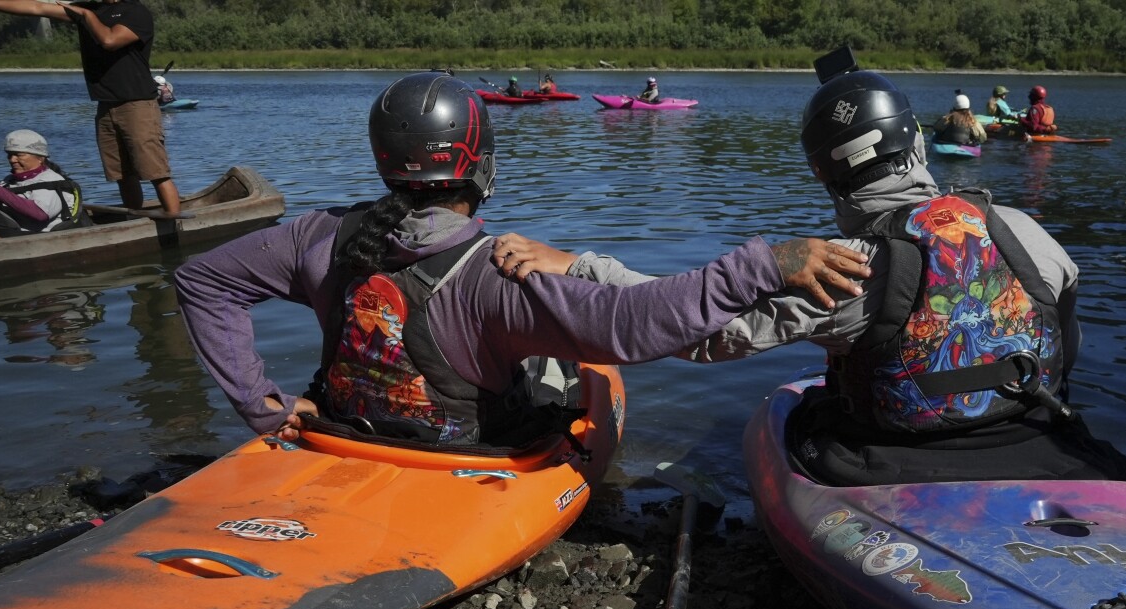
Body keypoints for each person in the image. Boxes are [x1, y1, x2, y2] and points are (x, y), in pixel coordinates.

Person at [498, 56, 1126, 486]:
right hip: (1036, 429)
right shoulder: (1026, 230)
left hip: (898, 457)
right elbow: (1063, 344)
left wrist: (581, 267)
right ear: (913, 140)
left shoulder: (843, 269)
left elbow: (699, 333)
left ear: (825, 174)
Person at [172, 71, 868, 446]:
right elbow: (635, 326)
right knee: (557, 364)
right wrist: (765, 263)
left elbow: (201, 281)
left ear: (383, 158)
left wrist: (259, 404)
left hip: (342, 432)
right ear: (483, 169)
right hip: (451, 459)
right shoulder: (498, 277)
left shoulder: (312, 236)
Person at [0, 0, 181, 216]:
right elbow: (38, 8)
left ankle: (175, 219)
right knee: (122, 173)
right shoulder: (92, 9)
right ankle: (133, 218)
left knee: (155, 171)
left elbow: (109, 40)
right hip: (106, 106)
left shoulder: (135, 11)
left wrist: (85, 15)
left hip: (137, 105)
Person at [0, 129, 91, 241]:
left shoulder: (51, 180)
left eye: (19, 154)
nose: (12, 159)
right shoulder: (9, 180)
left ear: (40, 158)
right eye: (9, 155)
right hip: (15, 232)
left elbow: (39, 214)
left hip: (45, 239)